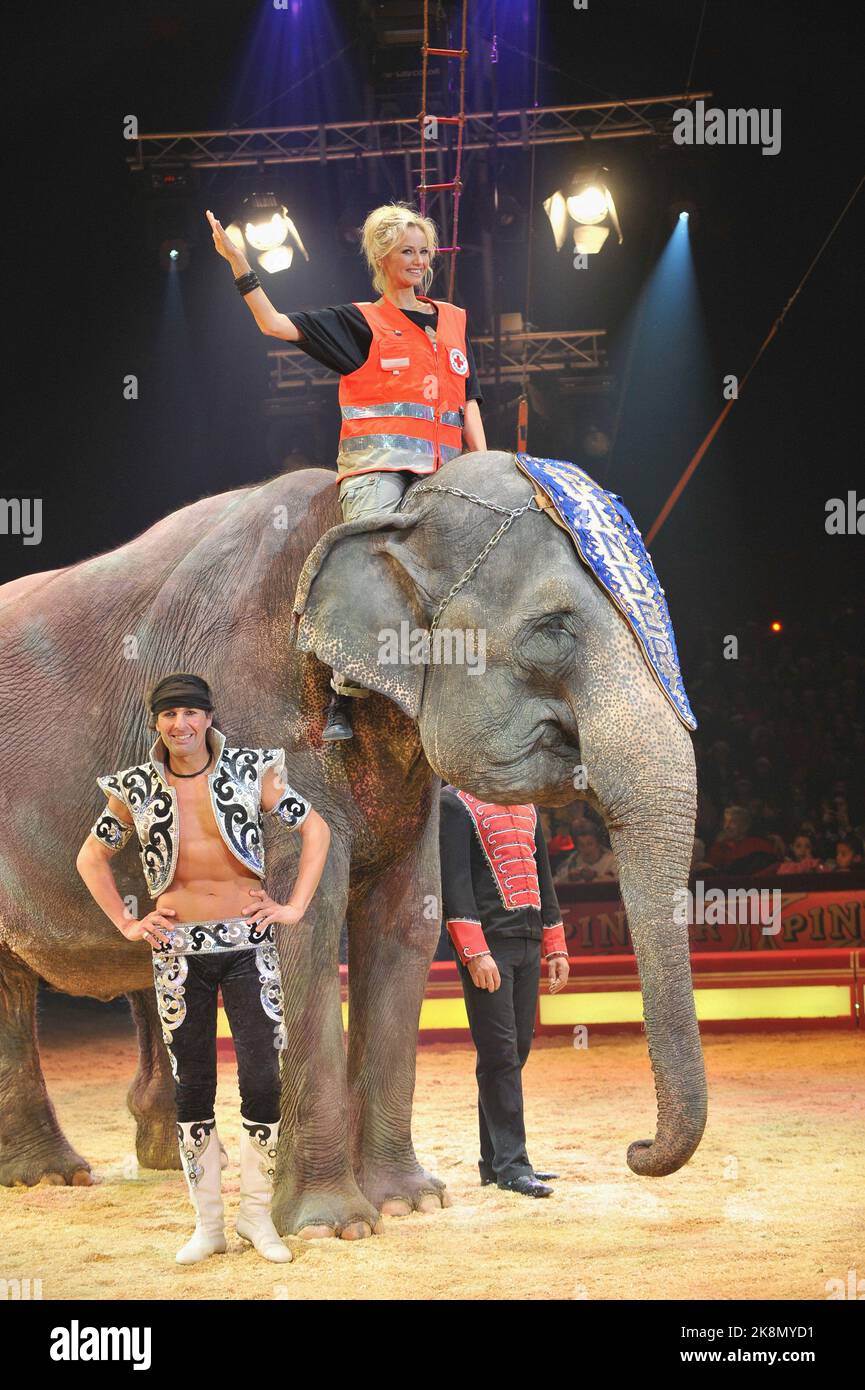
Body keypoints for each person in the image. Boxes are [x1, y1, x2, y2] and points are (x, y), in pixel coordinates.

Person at [206, 200, 487, 740]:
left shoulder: (451, 319)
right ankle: (344, 687)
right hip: (377, 468)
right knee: (365, 556)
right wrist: (239, 263)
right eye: (407, 250)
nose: (418, 260)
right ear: (383, 256)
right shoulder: (360, 321)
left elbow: (467, 399)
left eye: (424, 251)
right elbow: (273, 323)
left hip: (446, 468)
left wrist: (484, 461)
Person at [76, 673, 331, 1266]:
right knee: (192, 1087)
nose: (180, 725)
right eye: (169, 715)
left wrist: (292, 906)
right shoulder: (136, 787)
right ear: (156, 723)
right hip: (176, 951)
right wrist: (128, 923)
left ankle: (257, 1217)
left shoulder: (250, 771)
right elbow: (91, 855)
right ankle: (208, 1224)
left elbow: (314, 828)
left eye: (191, 713)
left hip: (247, 945)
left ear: (209, 717)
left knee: (263, 1077)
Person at [439, 786, 569, 1197]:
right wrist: (474, 952)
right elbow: (455, 882)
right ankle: (513, 1165)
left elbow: (542, 880)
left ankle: (496, 1162)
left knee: (515, 1052)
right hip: (489, 945)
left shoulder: (529, 807)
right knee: (499, 1054)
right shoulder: (454, 803)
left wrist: (556, 946)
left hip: (528, 943)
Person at [553, 826, 618, 884]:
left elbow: (620, 883)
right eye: (581, 845)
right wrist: (569, 877)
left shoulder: (612, 861)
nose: (586, 849)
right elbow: (555, 882)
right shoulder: (573, 860)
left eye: (590, 844)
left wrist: (595, 875)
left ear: (597, 844)